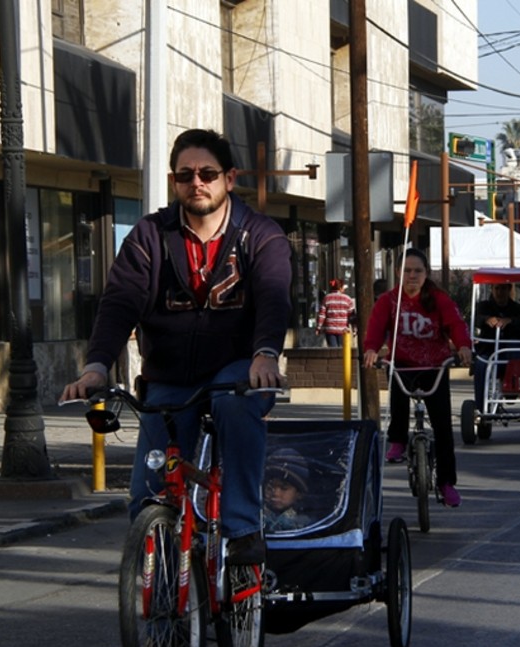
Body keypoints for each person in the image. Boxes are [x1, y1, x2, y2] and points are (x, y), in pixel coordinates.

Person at [59, 128, 290, 566]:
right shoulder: (150, 236)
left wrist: (265, 354)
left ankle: (242, 529)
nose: (196, 182)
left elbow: (274, 299)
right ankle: (164, 585)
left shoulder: (261, 236)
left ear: (230, 178)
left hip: (237, 367)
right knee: (148, 494)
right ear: (174, 181)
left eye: (207, 173)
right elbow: (119, 303)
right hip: (168, 377)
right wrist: (95, 368)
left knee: (234, 403)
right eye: (186, 175)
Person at [362, 249, 473, 507]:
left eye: (418, 271)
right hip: (402, 363)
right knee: (397, 395)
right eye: (407, 270)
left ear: (426, 273)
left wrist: (464, 346)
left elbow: (456, 325)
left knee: (443, 426)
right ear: (399, 272)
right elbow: (376, 328)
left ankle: (446, 483)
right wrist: (370, 349)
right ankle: (398, 440)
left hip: (434, 365)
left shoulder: (438, 299)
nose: (412, 276)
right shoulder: (389, 301)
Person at [472, 282, 520, 411]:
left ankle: (511, 388)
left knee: (514, 344)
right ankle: (481, 409)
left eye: (503, 288)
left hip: (512, 352)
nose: (500, 292)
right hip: (489, 350)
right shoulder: (483, 306)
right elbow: (477, 319)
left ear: (509, 289)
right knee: (480, 365)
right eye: (496, 288)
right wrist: (487, 319)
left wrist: (510, 321)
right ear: (492, 289)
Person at [263, 448, 312, 532]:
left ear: (299, 494)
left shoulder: (306, 525)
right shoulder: (255, 519)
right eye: (270, 487)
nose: (276, 493)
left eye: (284, 488)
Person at [317, 278, 355, 348]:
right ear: (340, 288)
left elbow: (322, 315)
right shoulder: (348, 299)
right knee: (343, 351)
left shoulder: (326, 298)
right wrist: (354, 329)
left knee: (333, 350)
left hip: (330, 329)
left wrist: (318, 327)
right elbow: (351, 316)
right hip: (343, 330)